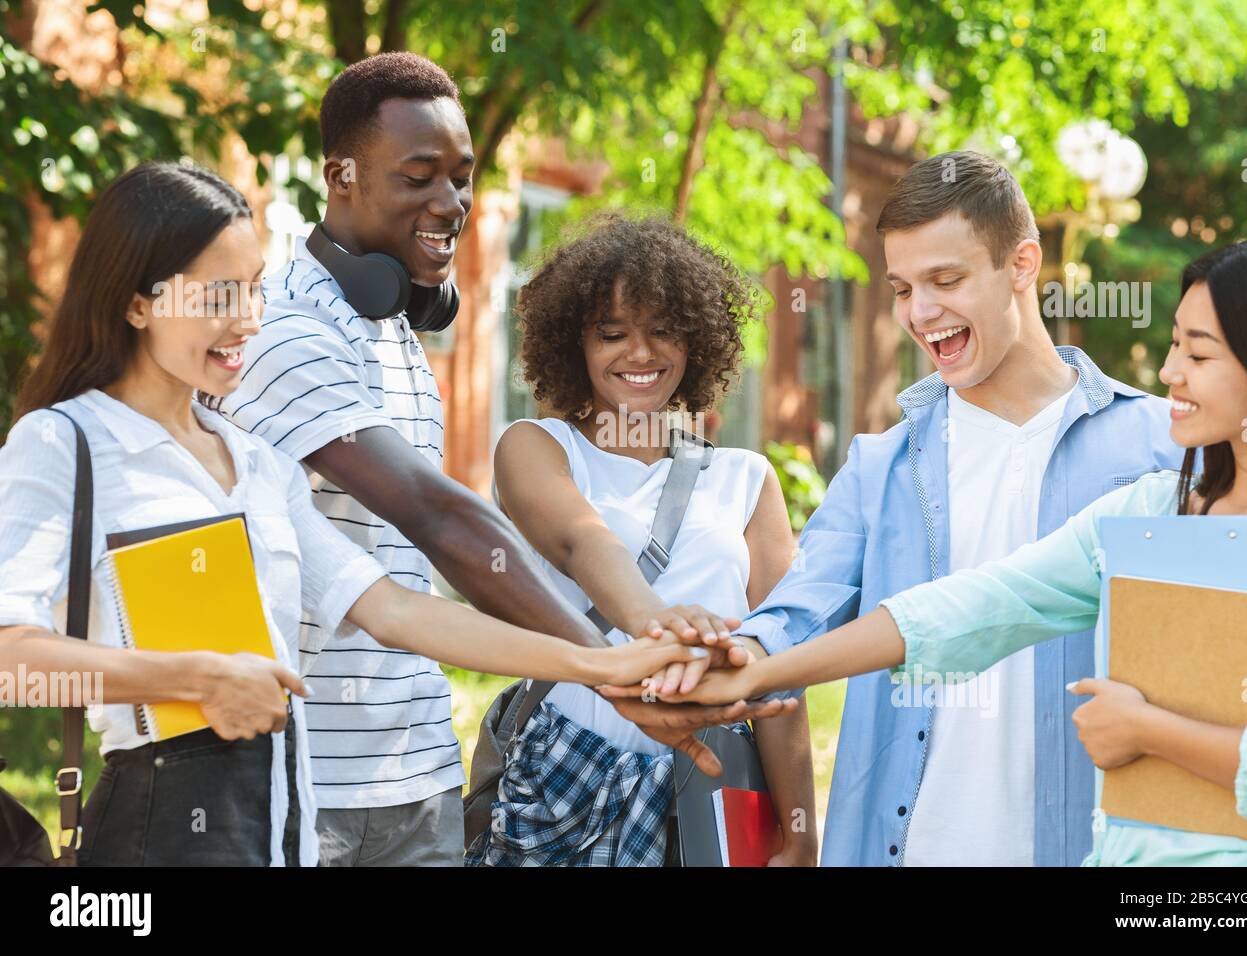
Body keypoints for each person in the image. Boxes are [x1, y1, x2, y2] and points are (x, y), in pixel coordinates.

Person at [0, 162, 714, 867]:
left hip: (281, 831)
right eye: (221, 295)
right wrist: (196, 678)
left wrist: (604, 667)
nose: (250, 320)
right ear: (137, 303)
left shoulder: (257, 465)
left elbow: (399, 611)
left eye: (254, 290)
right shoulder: (66, 443)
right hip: (152, 838)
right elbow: (11, 660)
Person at [213, 52, 786, 866]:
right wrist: (610, 671)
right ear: (340, 175)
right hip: (318, 777)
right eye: (419, 177)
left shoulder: (391, 330)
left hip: (414, 762)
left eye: (461, 177)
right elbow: (438, 516)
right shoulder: (288, 334)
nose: (451, 204)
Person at [636, 232, 1247, 866]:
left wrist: (1147, 730)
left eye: (1200, 354)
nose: (1169, 371)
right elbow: (972, 607)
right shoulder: (1152, 508)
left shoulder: (1168, 460)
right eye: (1175, 345)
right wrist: (756, 669)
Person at [469, 215, 818, 866]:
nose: (640, 354)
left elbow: (782, 672)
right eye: (612, 334)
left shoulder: (746, 478)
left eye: (663, 331)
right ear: (573, 342)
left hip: (707, 790)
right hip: (564, 783)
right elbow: (578, 540)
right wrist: (658, 622)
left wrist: (800, 835)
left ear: (697, 341)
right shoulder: (538, 448)